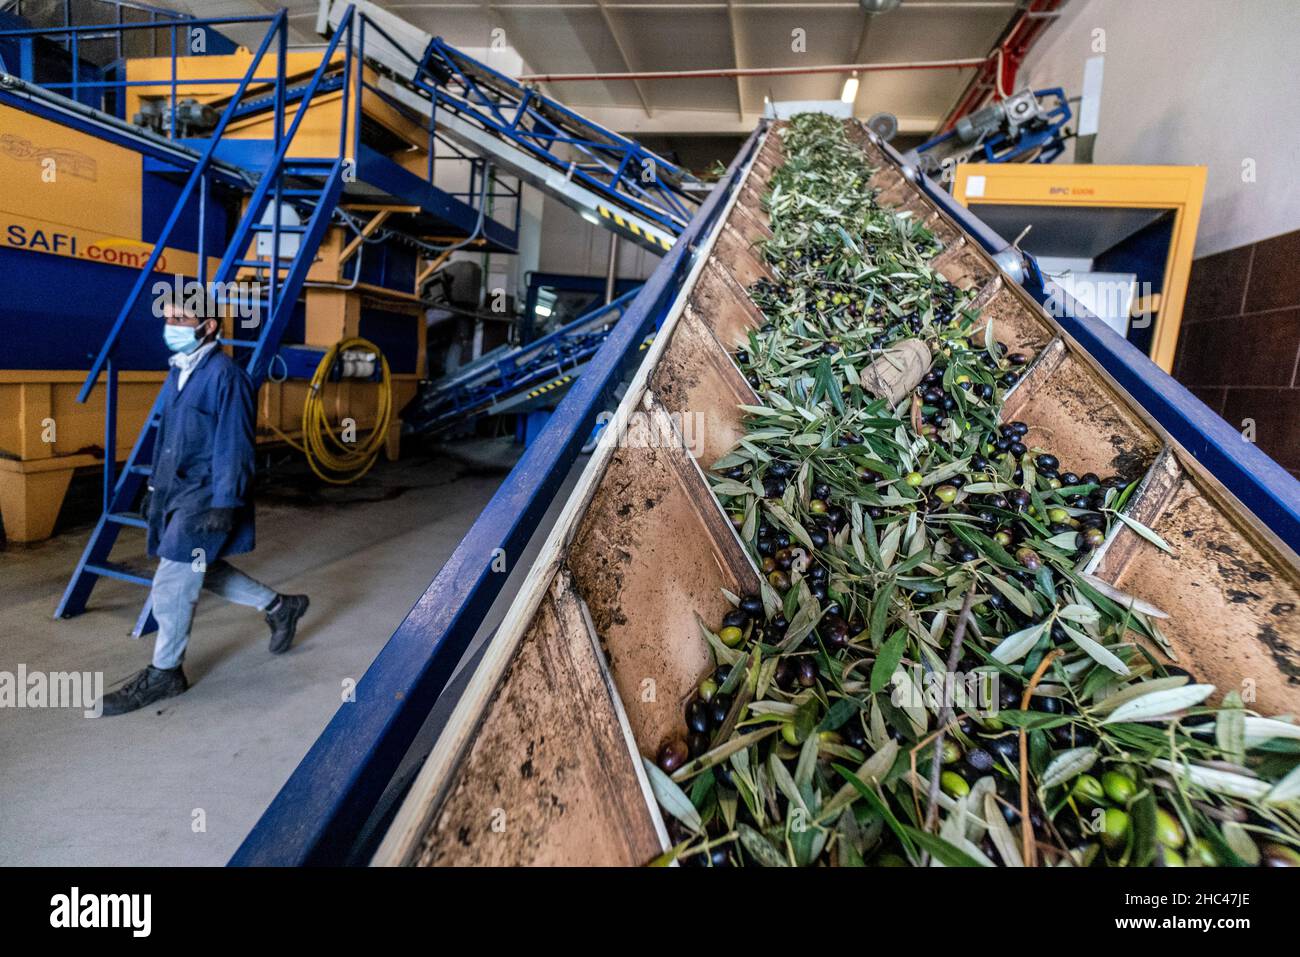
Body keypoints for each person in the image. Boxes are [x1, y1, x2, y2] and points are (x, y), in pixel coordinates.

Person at [102, 304, 309, 716]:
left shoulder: (225, 377)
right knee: (201, 565)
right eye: (168, 319)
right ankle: (280, 606)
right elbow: (168, 437)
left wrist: (226, 502)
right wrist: (154, 488)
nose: (170, 328)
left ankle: (165, 673)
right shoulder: (181, 369)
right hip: (178, 490)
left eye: (180, 320)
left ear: (208, 325)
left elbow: (235, 445)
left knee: (172, 582)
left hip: (206, 494)